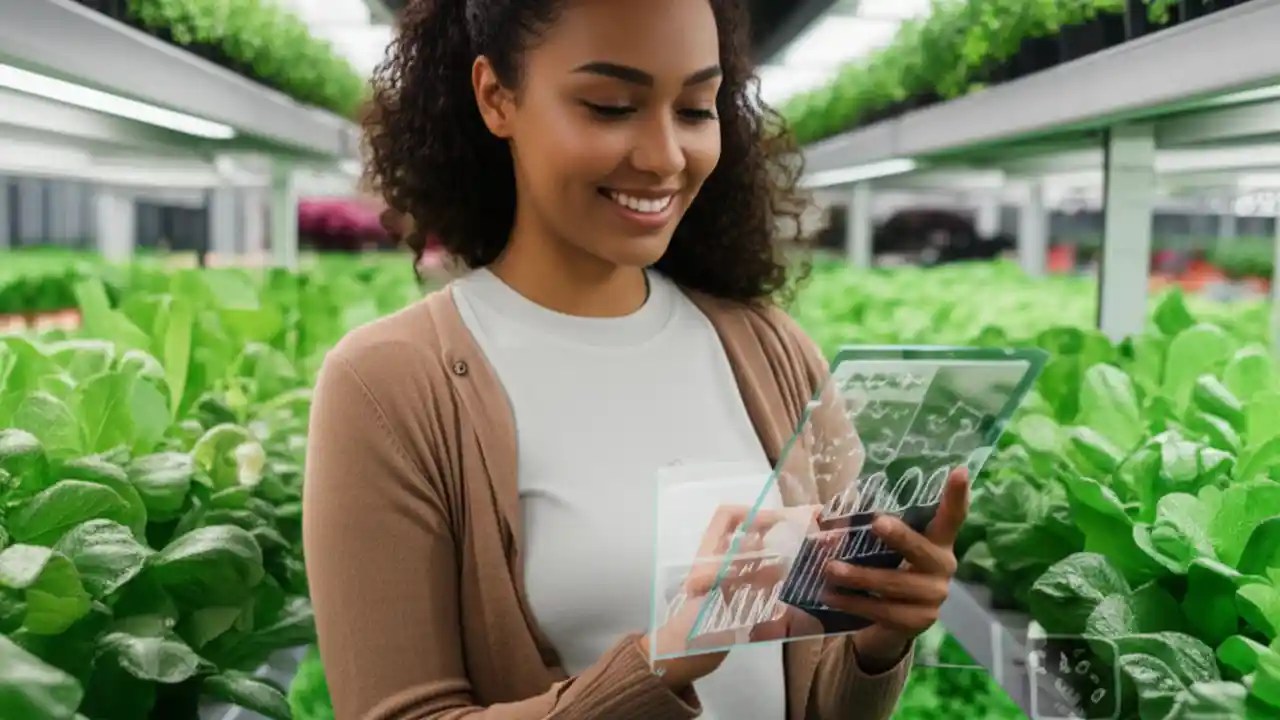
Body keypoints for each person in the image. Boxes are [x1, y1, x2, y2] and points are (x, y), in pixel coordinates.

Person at [302, 1, 969, 718]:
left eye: (695, 109)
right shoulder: (389, 384)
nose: (665, 156)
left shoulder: (773, 352)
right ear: (497, 96)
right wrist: (658, 666)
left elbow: (817, 697)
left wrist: (877, 637)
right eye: (611, 106)